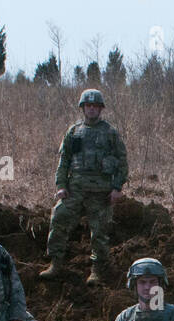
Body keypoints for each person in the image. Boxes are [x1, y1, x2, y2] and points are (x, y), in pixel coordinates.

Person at [40, 89, 128, 285]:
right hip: (75, 189)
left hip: (100, 192)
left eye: (95, 106)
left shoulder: (110, 133)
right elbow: (64, 162)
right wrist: (61, 185)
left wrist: (116, 188)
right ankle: (55, 263)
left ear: (100, 109)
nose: (92, 109)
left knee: (99, 232)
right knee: (59, 217)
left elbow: (122, 163)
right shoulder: (74, 132)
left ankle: (98, 270)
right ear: (83, 108)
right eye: (88, 106)